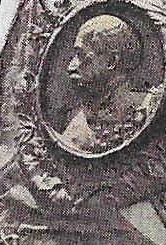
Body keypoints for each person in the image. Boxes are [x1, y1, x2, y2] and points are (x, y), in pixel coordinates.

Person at [55, 13, 156, 155]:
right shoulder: (76, 128)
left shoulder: (150, 107)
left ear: (111, 61)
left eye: (81, 55)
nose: (71, 66)